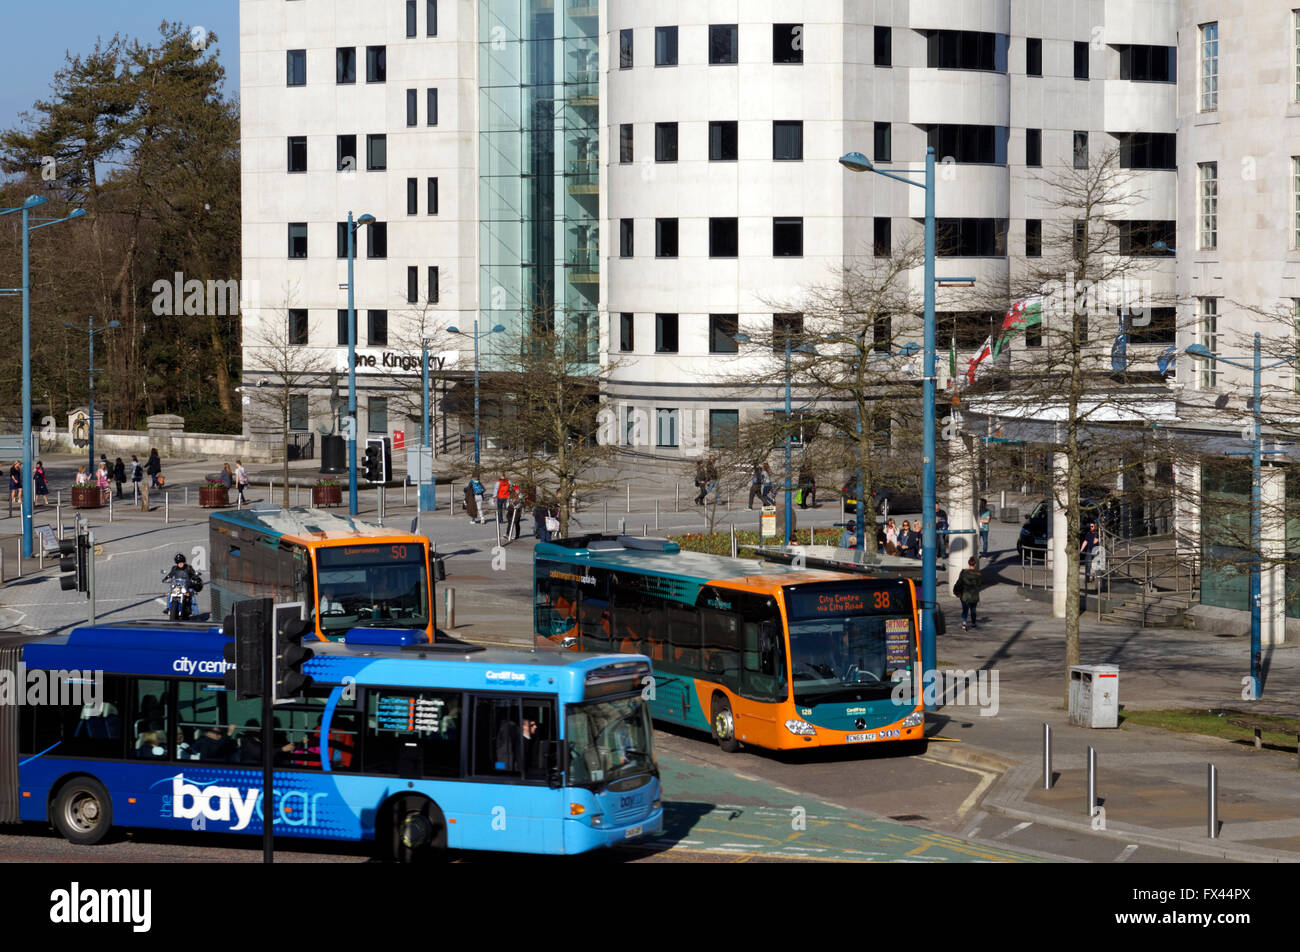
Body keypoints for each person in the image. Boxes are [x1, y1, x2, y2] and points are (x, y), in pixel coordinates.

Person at [955, 557, 984, 631]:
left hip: (965, 594)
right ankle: (973, 623)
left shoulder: (964, 573)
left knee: (965, 610)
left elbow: (959, 582)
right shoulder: (978, 574)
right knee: (973, 610)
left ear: (968, 563)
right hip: (974, 595)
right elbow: (979, 584)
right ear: (975, 564)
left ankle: (964, 624)